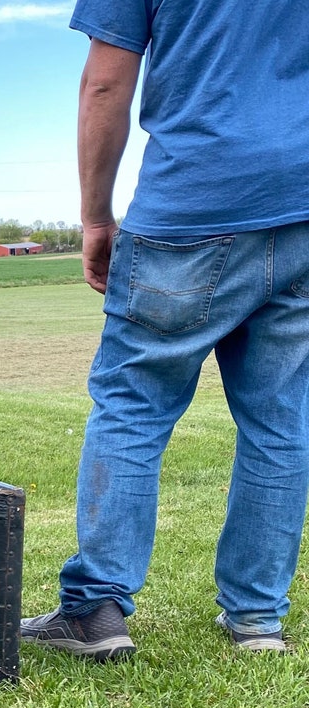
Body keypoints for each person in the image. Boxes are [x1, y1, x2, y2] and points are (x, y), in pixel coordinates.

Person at [21, 0, 309, 662]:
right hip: (301, 208)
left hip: (193, 201)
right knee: (280, 416)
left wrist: (96, 217)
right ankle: (257, 619)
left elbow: (105, 83)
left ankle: (96, 608)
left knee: (134, 402)